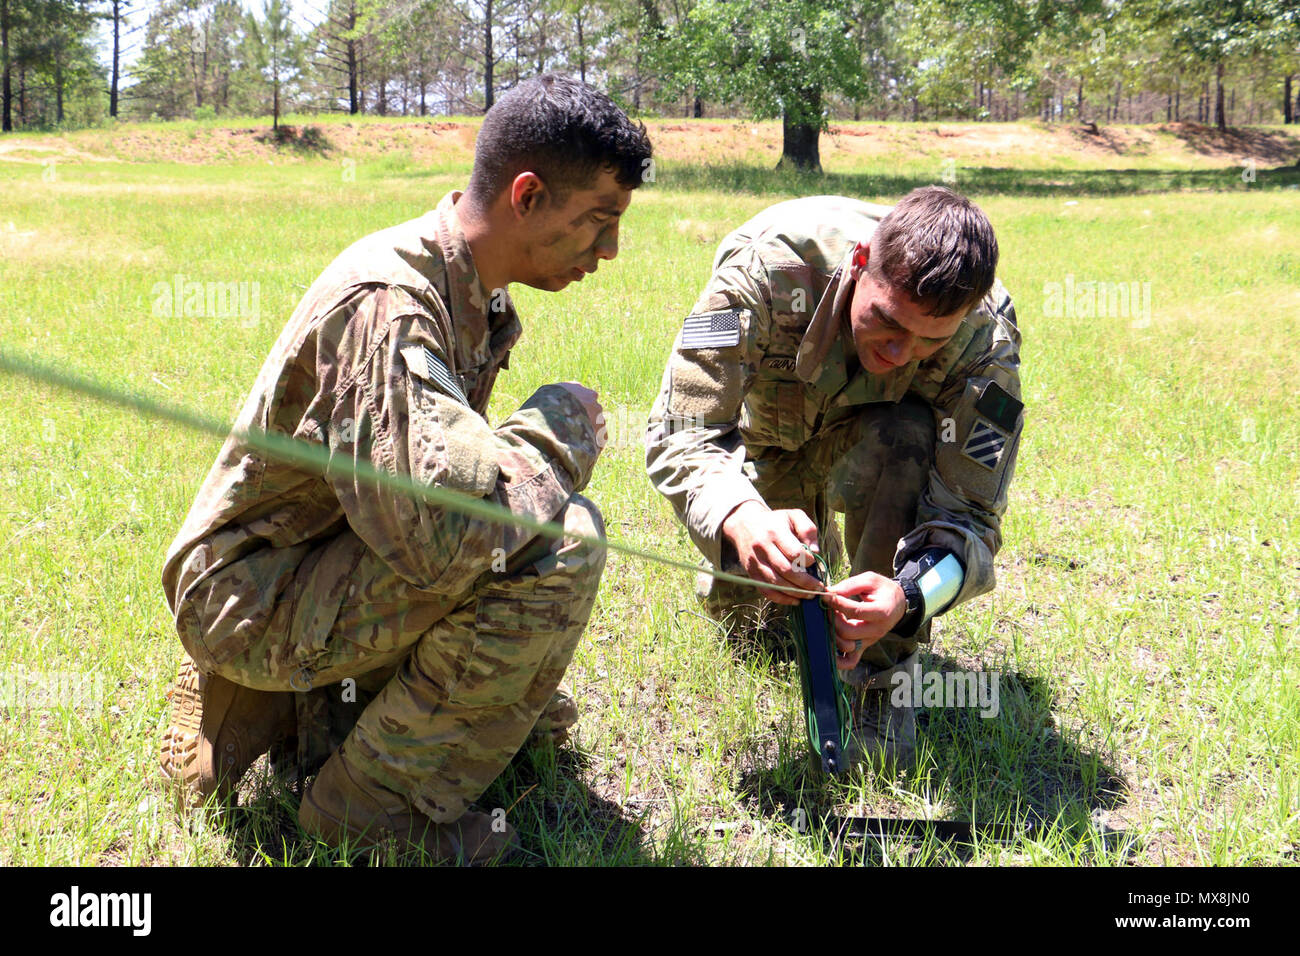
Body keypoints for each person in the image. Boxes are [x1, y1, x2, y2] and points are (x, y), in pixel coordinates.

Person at [159, 74, 653, 864]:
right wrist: (558, 435)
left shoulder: (468, 290)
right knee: (564, 541)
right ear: (526, 195)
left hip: (306, 561)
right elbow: (442, 543)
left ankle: (286, 714)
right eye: (598, 220)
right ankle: (366, 808)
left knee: (524, 594)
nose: (610, 250)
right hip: (250, 596)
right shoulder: (393, 304)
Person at [644, 187, 1023, 767]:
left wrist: (910, 596)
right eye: (889, 322)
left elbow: (969, 517)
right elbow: (682, 430)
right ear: (861, 259)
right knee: (755, 618)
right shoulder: (762, 272)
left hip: (876, 447)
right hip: (769, 444)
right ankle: (754, 565)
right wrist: (742, 521)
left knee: (905, 434)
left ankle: (879, 673)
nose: (902, 352)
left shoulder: (985, 337)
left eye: (931, 340)